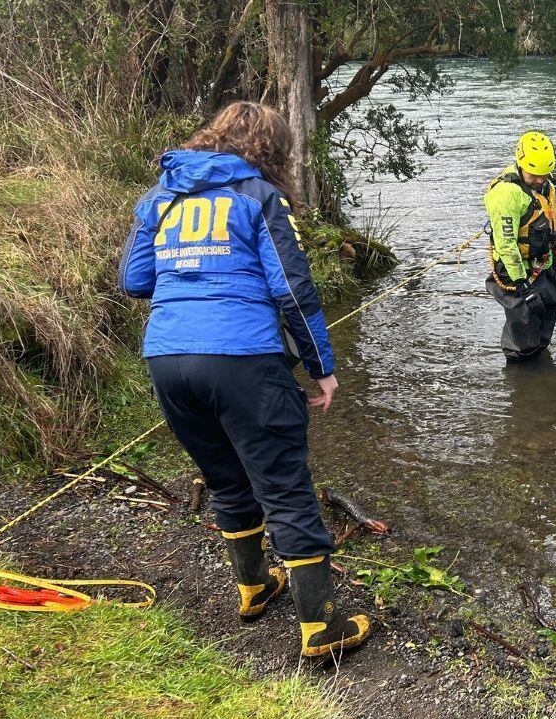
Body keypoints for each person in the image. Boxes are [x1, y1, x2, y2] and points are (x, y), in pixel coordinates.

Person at [118, 101, 368, 658]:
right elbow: (292, 292)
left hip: (168, 360)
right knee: (285, 487)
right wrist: (321, 369)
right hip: (244, 359)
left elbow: (133, 280)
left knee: (227, 479)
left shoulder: (160, 197)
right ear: (271, 150)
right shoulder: (258, 198)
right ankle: (320, 631)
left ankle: (254, 590)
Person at [484, 131, 556, 362]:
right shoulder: (507, 195)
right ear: (520, 164)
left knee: (547, 311)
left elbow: (553, 205)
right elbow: (506, 245)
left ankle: (541, 366)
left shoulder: (547, 182)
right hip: (516, 270)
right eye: (534, 176)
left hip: (543, 262)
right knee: (523, 325)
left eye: (543, 175)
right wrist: (521, 284)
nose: (539, 180)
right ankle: (520, 374)